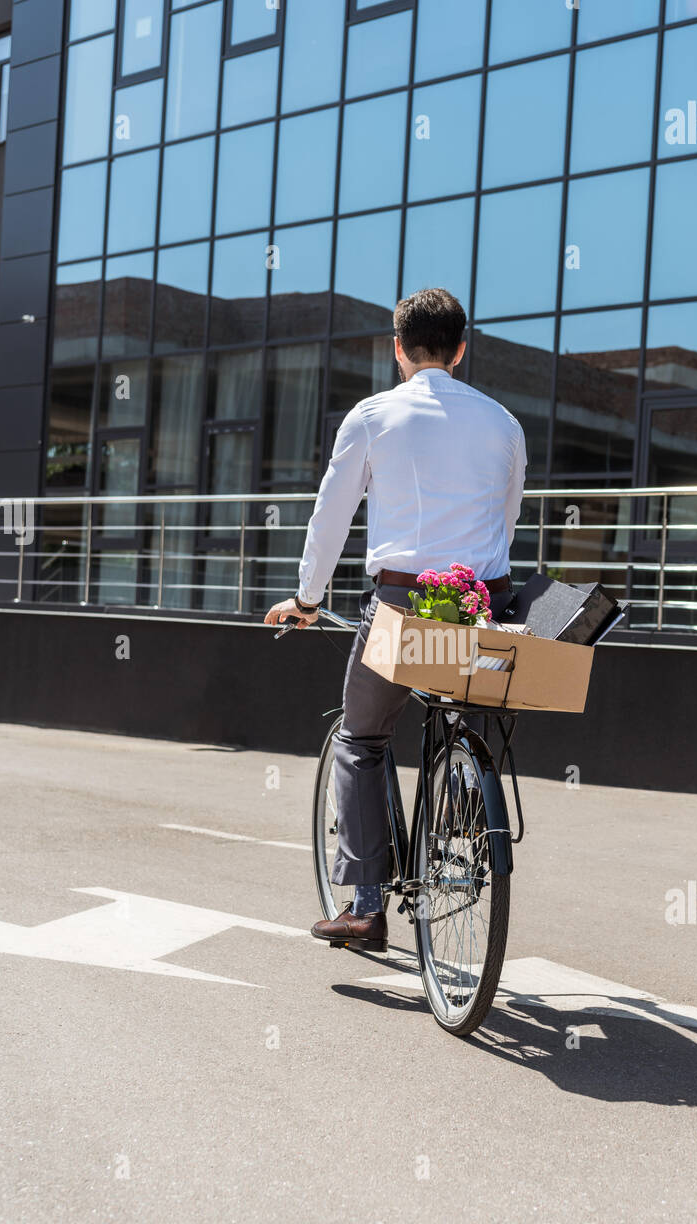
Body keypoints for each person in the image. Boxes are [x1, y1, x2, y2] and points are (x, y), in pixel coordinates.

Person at [264, 287, 527, 952]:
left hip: (403, 604)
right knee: (466, 712)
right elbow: (507, 517)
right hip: (480, 605)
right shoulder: (502, 422)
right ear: (461, 348)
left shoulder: (373, 414)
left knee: (361, 739)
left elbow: (331, 515)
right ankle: (463, 802)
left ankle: (364, 903)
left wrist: (308, 598)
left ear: (397, 351)